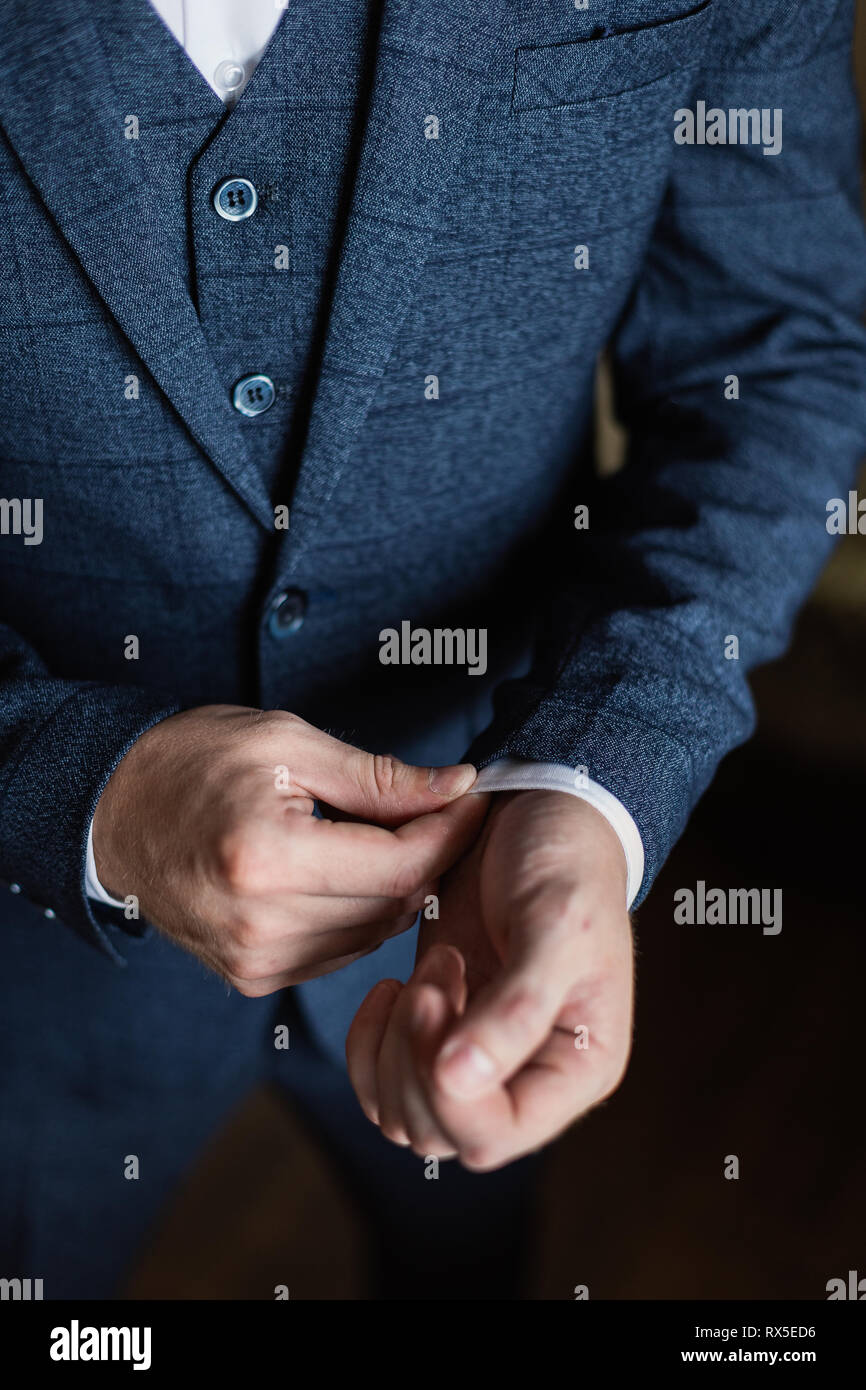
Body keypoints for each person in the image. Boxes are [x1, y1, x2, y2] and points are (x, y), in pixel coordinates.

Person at [1, 0, 864, 1299]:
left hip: (484, 915)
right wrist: (72, 782)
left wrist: (592, 785)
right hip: (32, 966)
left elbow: (772, 353)